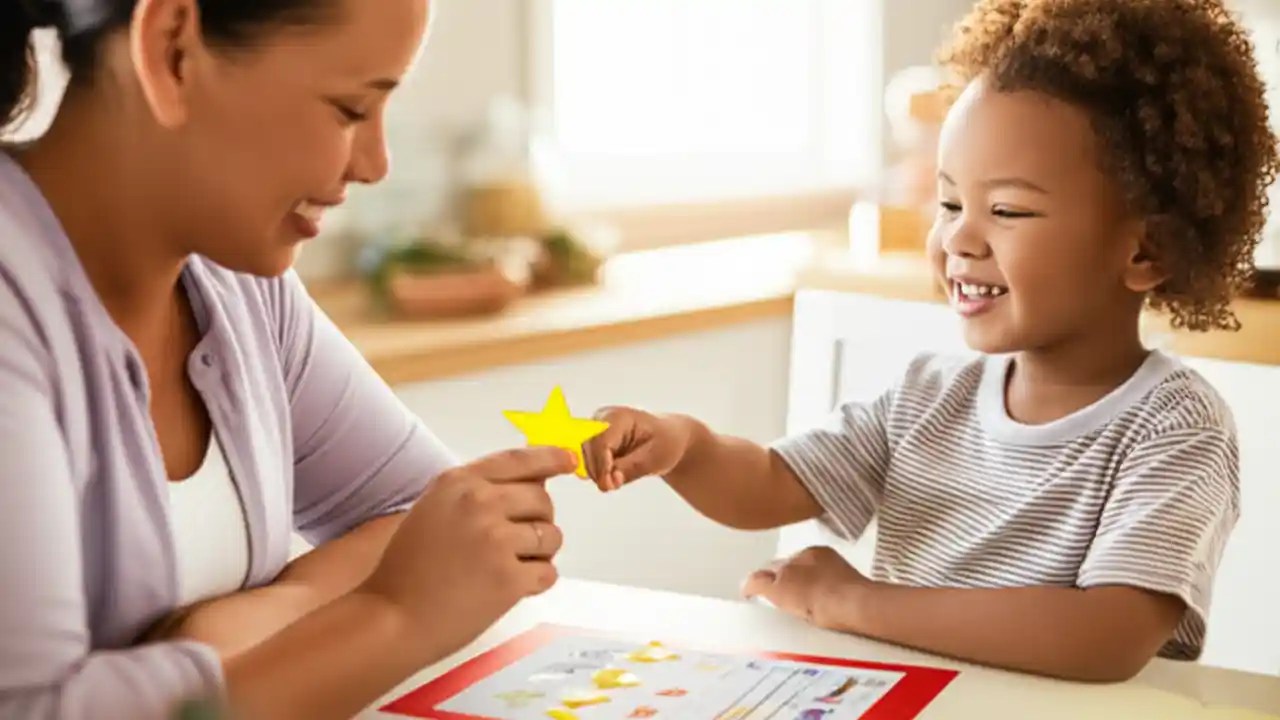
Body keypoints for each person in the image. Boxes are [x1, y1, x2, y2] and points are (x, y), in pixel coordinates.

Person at [583, 0, 1279, 684]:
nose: (958, 240)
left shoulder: (1176, 428)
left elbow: (1106, 635)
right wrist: (685, 446)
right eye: (949, 204)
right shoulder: (925, 397)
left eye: (1005, 209)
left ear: (1146, 250)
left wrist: (854, 601)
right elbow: (772, 485)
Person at [0, 1, 578, 718]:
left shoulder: (236, 287)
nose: (374, 164)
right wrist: (392, 615)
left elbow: (443, 521)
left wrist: (247, 623)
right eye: (348, 110)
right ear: (173, 49)